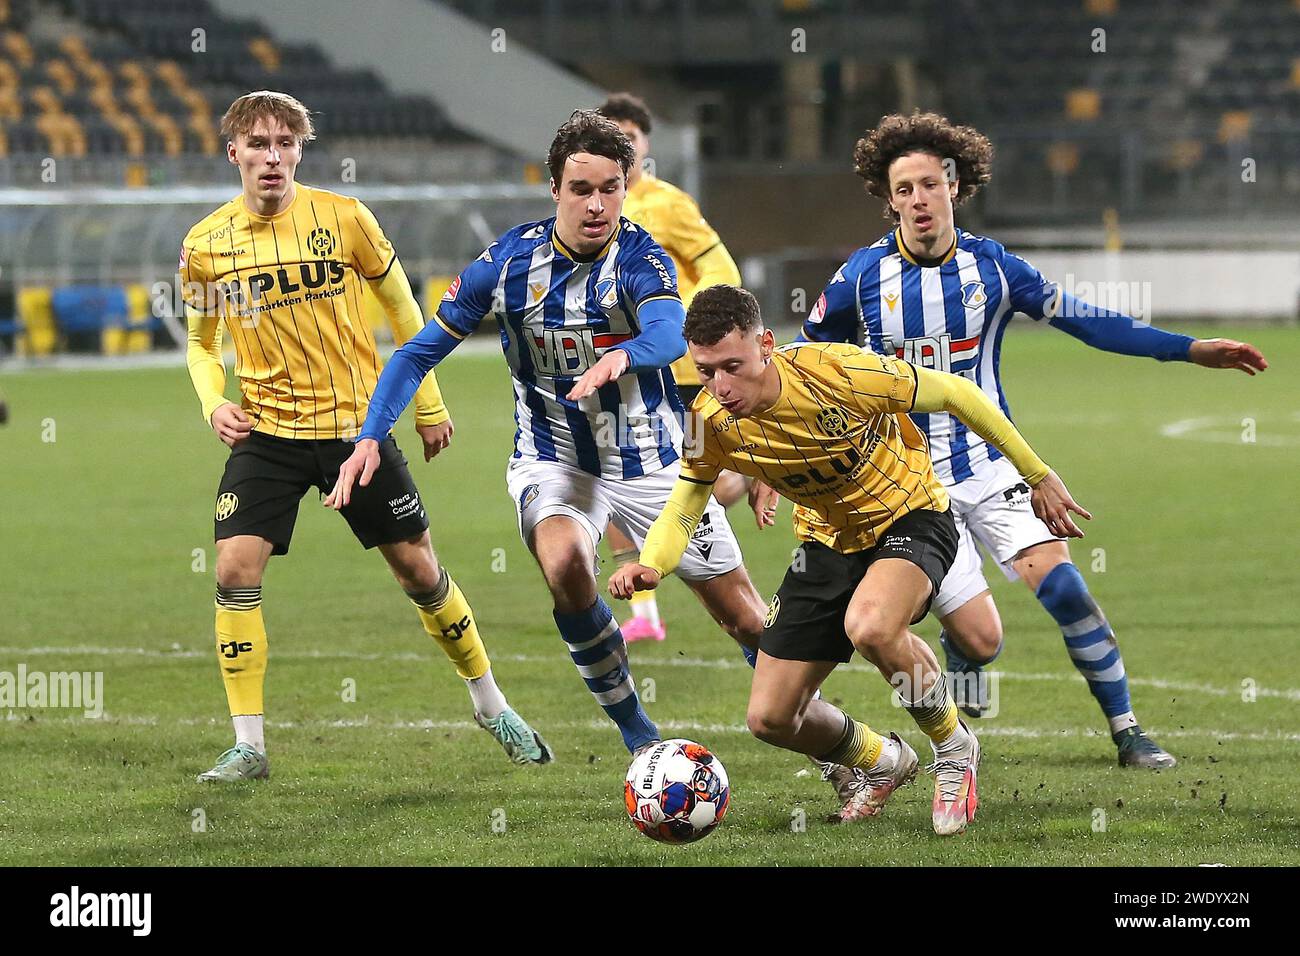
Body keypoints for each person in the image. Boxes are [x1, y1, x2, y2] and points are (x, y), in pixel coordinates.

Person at [791, 111, 1269, 768]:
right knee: (984, 642)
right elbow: (802, 362)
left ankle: (1129, 733)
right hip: (909, 488)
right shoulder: (860, 278)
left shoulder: (994, 267)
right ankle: (963, 659)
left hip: (994, 466)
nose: (919, 200)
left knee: (1069, 591)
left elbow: (1090, 322)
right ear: (888, 198)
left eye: (930, 184)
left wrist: (1189, 350)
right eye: (904, 190)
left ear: (955, 185)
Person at [325, 110, 768, 761]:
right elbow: (416, 353)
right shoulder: (506, 265)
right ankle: (638, 734)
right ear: (555, 189)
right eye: (582, 189)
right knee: (565, 565)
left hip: (653, 459)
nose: (598, 204)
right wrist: (370, 435)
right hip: (554, 460)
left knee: (746, 619)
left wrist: (628, 356)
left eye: (610, 188)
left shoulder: (642, 256)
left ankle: (838, 747)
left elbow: (672, 333)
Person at [611, 284, 1089, 835]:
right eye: (706, 370)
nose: (720, 385)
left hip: (909, 515)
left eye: (732, 366)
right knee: (770, 718)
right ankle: (883, 761)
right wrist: (653, 564)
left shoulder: (836, 372)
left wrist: (1037, 474)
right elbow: (687, 500)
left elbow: (959, 393)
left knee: (872, 627)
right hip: (827, 542)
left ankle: (953, 747)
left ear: (766, 344)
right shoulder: (707, 419)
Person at [181, 90, 550, 782]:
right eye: (258, 144)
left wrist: (428, 402)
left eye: (285, 143)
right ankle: (249, 746)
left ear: (299, 151)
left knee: (419, 570)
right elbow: (201, 342)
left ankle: (490, 703)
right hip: (267, 431)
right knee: (234, 570)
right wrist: (212, 402)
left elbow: (404, 306)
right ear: (233, 152)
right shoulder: (205, 246)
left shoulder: (344, 218)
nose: (273, 157)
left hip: (360, 429)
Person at [595, 92, 749, 644]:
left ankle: (745, 473)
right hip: (622, 369)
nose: (622, 149)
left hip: (680, 368)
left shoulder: (668, 204)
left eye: (630, 139)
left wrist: (690, 319)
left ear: (644, 145)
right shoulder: (594, 211)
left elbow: (718, 264)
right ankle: (645, 613)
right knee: (612, 479)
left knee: (693, 479)